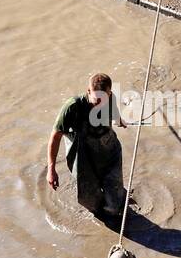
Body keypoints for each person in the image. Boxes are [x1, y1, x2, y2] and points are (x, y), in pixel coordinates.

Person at [46, 73, 127, 219]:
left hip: (109, 152)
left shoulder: (111, 98)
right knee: (92, 204)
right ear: (88, 92)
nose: (101, 104)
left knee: (114, 207)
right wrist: (51, 169)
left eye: (105, 98)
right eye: (97, 100)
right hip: (83, 159)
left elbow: (114, 113)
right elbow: (55, 136)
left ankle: (115, 195)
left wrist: (119, 121)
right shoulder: (72, 107)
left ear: (110, 92)